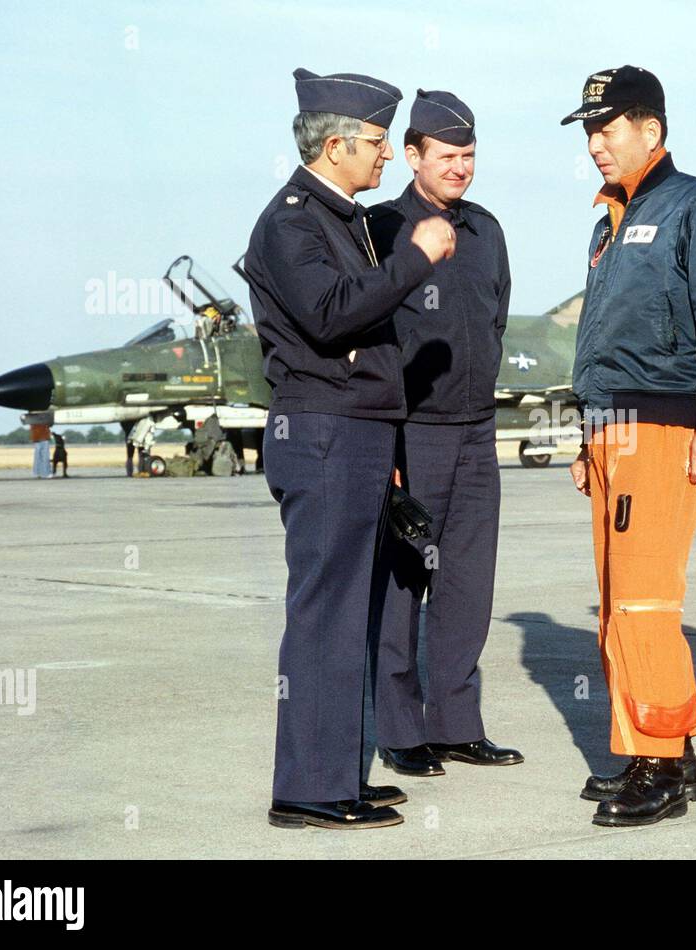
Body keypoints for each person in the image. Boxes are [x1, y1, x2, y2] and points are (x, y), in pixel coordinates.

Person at [245, 67, 456, 830]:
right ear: (335, 145)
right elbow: (332, 317)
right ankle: (307, 788)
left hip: (358, 434)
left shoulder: (346, 218)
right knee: (325, 614)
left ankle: (337, 773)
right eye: (375, 142)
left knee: (352, 616)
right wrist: (415, 259)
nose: (387, 157)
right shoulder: (293, 223)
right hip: (324, 434)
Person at [560, 66, 696, 826]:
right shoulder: (608, 220)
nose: (594, 146)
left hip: (665, 425)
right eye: (588, 131)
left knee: (645, 601)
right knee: (619, 602)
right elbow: (601, 338)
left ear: (650, 130)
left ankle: (661, 762)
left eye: (606, 129)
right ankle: (665, 753)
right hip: (612, 428)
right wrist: (589, 435)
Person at [367, 90, 522, 777]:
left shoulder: (486, 229)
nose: (460, 168)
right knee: (403, 586)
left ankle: (456, 724)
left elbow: (494, 321)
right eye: (447, 156)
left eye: (469, 155)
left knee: (467, 584)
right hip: (413, 435)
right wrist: (390, 441)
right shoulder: (381, 227)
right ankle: (401, 732)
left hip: (476, 433)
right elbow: (368, 333)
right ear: (412, 155)